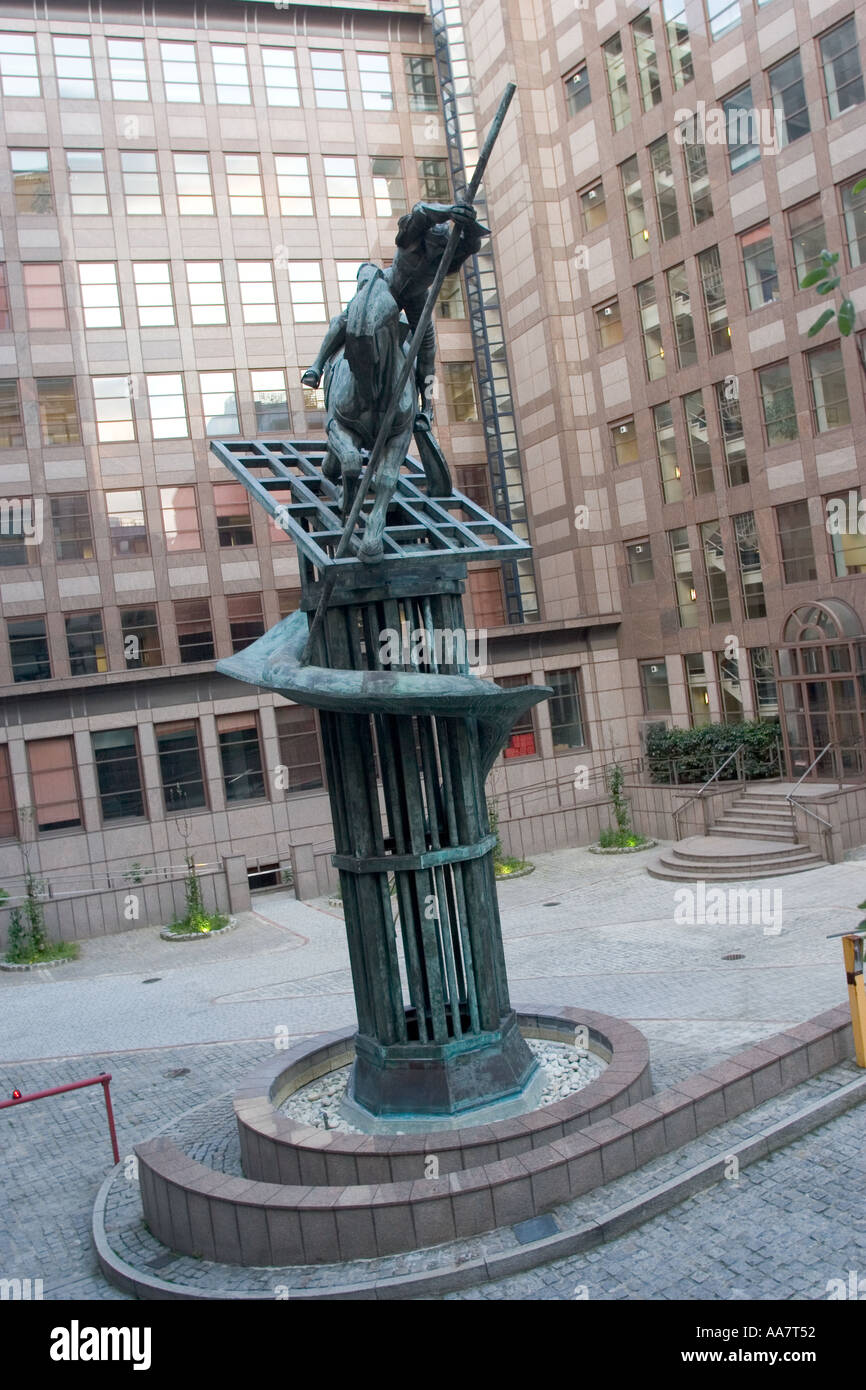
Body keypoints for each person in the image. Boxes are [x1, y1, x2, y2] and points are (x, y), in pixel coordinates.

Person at [301, 201, 487, 418]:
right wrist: (449, 211)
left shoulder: (447, 256)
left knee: (428, 351)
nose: (435, 248)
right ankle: (316, 367)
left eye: (441, 245)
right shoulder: (411, 237)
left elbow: (472, 245)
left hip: (416, 300)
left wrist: (470, 222)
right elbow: (420, 211)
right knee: (347, 318)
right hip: (388, 286)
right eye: (433, 241)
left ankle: (427, 407)